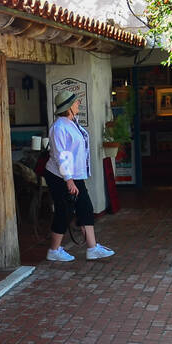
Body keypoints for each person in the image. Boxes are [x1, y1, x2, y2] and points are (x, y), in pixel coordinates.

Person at [45, 90, 114, 262]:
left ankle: (92, 248)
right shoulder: (59, 127)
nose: (78, 104)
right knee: (64, 210)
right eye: (75, 102)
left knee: (85, 208)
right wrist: (68, 180)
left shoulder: (72, 122)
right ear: (68, 107)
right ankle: (54, 250)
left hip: (73, 175)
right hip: (60, 176)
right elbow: (61, 154)